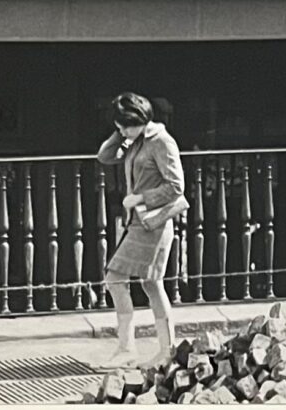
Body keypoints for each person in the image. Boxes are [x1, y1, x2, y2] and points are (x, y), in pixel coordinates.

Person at [97, 92, 187, 368]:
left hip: (155, 224)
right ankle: (160, 350)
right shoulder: (134, 141)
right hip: (141, 224)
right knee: (146, 283)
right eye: (119, 125)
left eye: (125, 124)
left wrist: (139, 198)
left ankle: (135, 349)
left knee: (122, 278)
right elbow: (105, 156)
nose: (122, 130)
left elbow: (176, 187)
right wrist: (119, 132)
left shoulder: (161, 142)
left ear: (139, 120)